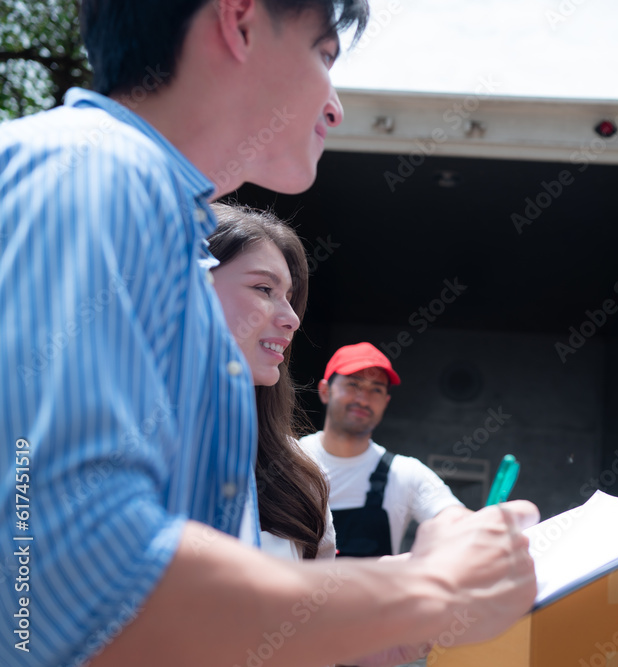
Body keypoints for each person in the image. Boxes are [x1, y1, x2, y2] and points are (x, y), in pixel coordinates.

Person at [0, 3, 538, 667]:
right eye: (324, 54)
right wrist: (427, 587)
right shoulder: (97, 174)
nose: (335, 106)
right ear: (241, 20)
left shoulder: (147, 216)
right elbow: (65, 579)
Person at [207, 202, 337, 560]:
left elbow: (317, 605)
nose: (292, 319)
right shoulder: (106, 444)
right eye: (264, 289)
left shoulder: (298, 471)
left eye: (291, 299)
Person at [300, 342, 466, 557]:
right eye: (353, 385)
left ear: (386, 401)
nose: (363, 399)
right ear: (325, 391)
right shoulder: (291, 459)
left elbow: (452, 516)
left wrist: (472, 527)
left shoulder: (405, 473)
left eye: (376, 389)